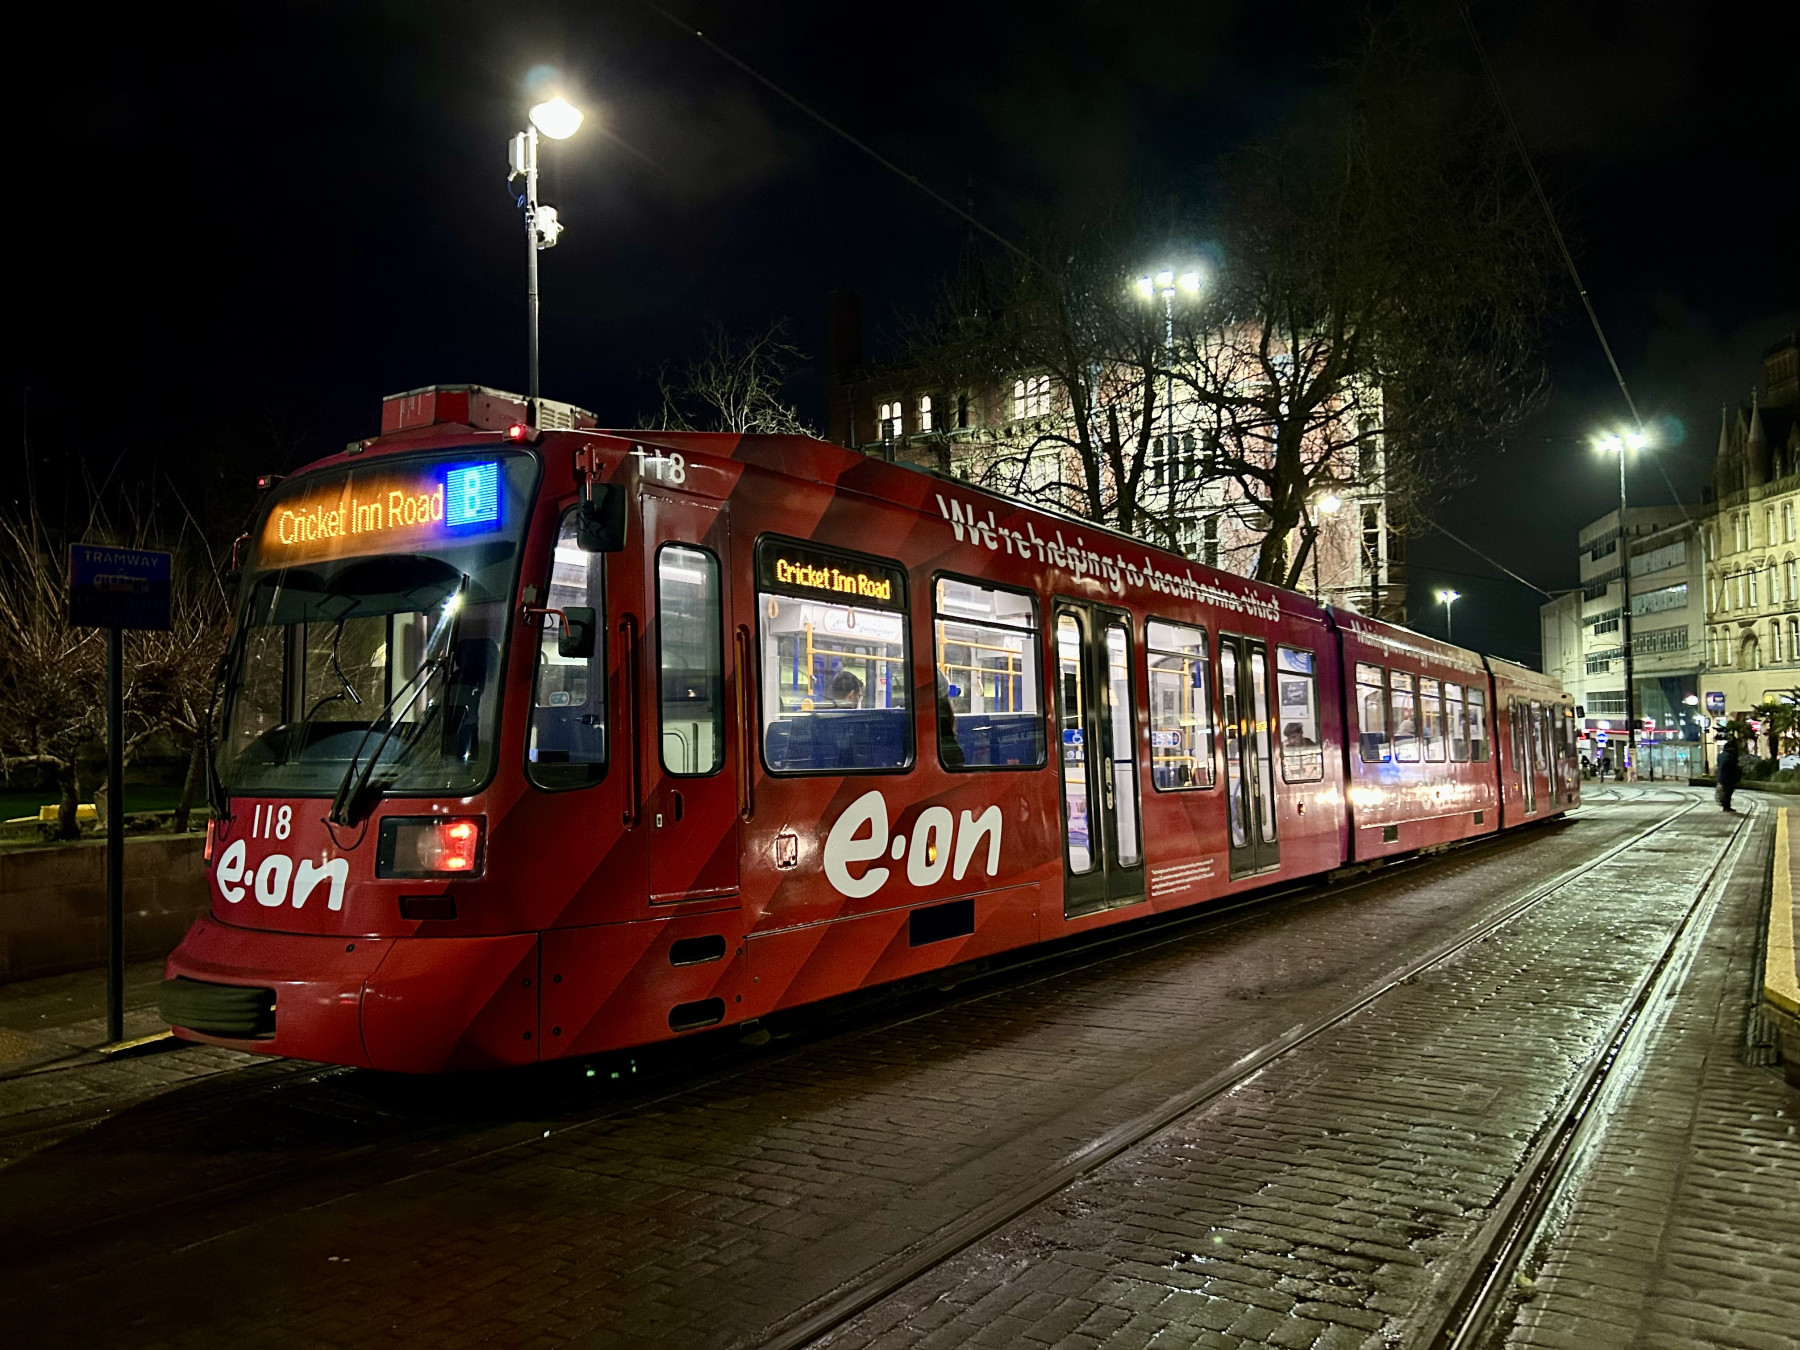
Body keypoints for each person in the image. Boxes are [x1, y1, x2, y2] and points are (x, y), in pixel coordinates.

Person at [1716, 737, 1742, 812]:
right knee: (1728, 791)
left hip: (1721, 776)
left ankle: (1725, 805)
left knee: (1725, 791)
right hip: (1728, 777)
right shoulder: (1729, 756)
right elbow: (1732, 766)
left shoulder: (1720, 755)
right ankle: (1726, 806)